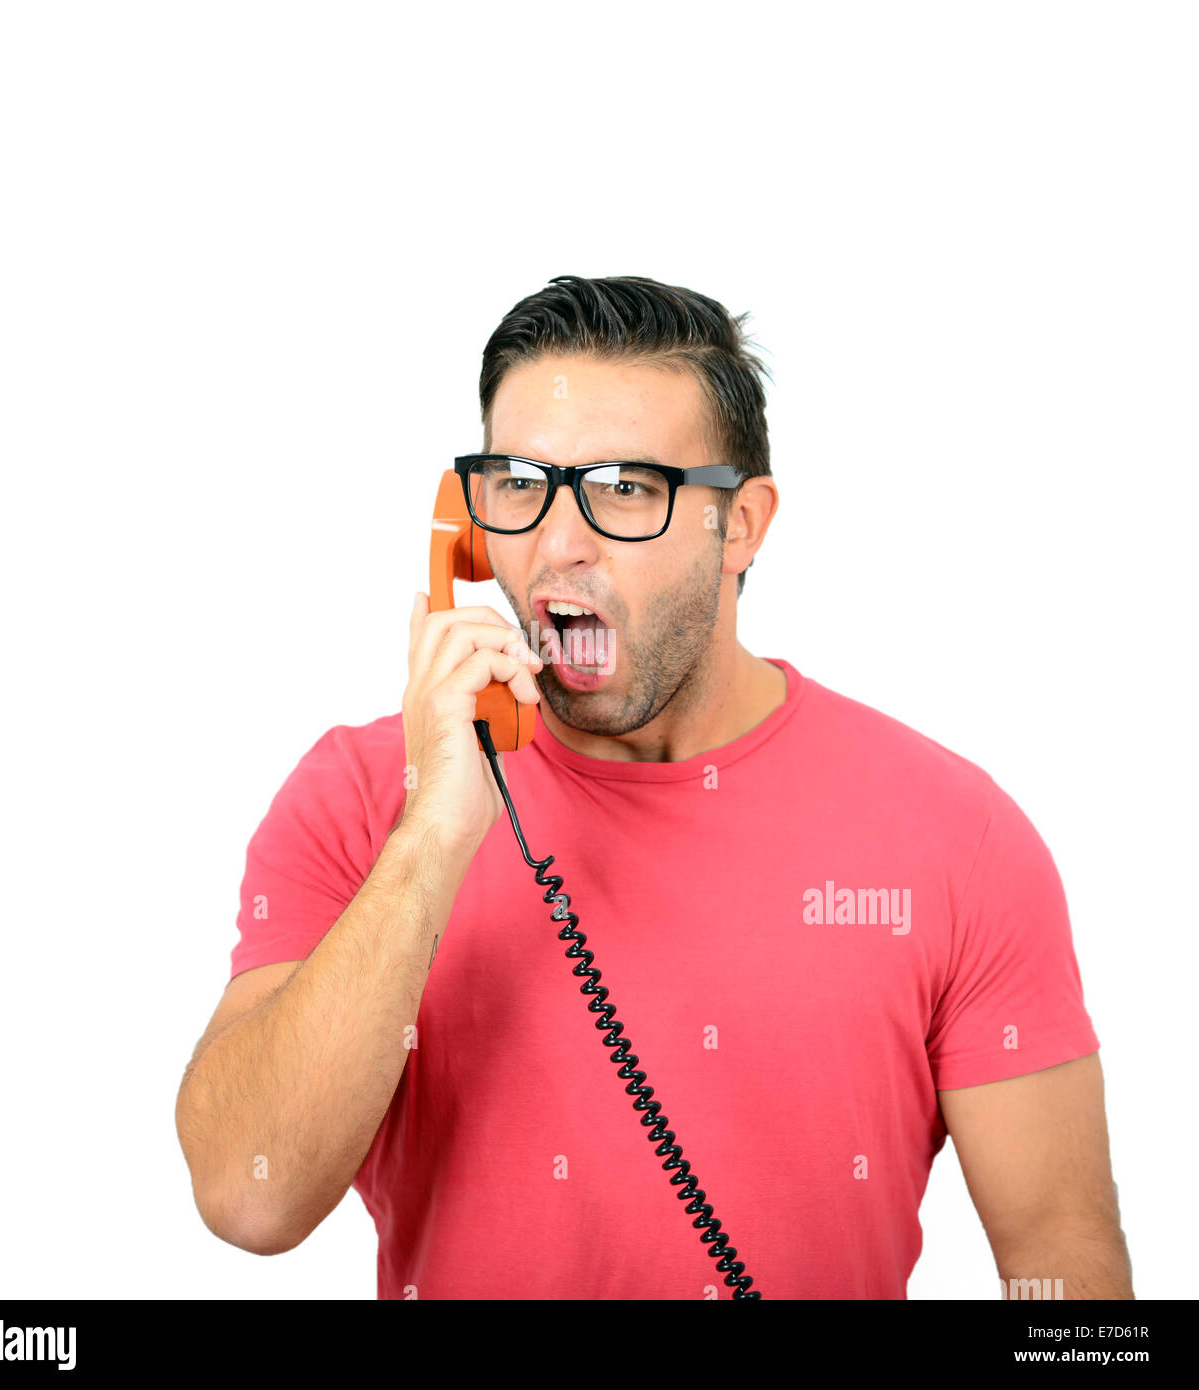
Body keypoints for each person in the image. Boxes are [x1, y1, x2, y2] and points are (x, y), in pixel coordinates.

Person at [175, 274, 1133, 1300]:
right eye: (518, 485)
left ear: (743, 525)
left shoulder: (954, 836)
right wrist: (432, 836)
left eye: (624, 487)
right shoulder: (362, 800)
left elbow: (1059, 1260)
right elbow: (248, 1199)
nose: (556, 545)